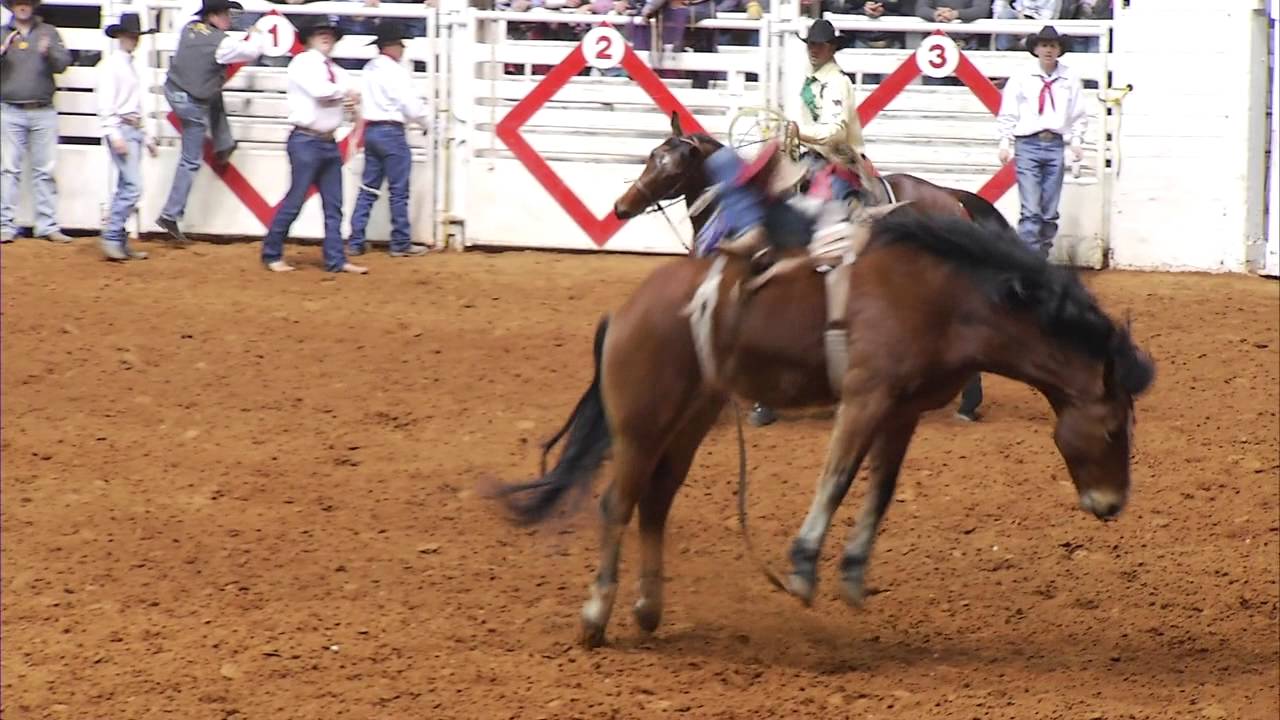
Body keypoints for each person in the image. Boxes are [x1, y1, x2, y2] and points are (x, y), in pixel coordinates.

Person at [260, 16, 366, 274]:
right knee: (297, 200)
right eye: (321, 32)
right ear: (309, 38)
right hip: (307, 140)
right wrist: (346, 94)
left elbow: (352, 89)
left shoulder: (331, 68)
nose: (326, 36)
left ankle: (335, 259)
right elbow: (323, 91)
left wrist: (347, 93)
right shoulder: (303, 62)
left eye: (329, 32)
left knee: (332, 205)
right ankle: (272, 252)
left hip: (323, 140)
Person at [156, 0, 262, 244]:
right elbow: (251, 51)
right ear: (213, 16)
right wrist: (256, 35)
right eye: (225, 14)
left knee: (212, 92)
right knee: (190, 160)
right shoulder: (221, 43)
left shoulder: (190, 28)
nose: (228, 19)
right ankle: (170, 213)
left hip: (175, 89)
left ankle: (223, 143)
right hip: (191, 101)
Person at [995, 25, 1086, 258]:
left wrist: (1076, 139)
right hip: (1028, 143)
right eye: (1044, 45)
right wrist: (1004, 140)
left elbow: (1078, 113)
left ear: (1059, 50)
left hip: (1055, 144)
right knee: (1031, 210)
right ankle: (1029, 265)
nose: (1048, 50)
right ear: (1036, 49)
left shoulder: (1069, 78)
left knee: (1049, 211)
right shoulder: (1022, 77)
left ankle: (1040, 259)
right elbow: (1009, 111)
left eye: (1053, 46)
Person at [347, 22, 430, 258]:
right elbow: (410, 105)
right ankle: (400, 243)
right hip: (391, 131)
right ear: (392, 46)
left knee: (368, 187)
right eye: (400, 44)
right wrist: (427, 123)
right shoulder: (396, 71)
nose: (403, 49)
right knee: (398, 190)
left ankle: (356, 241)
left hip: (372, 131)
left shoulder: (370, 68)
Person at [0, 0, 71, 244]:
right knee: (9, 170)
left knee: (45, 170)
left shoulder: (48, 32)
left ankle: (47, 225)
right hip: (10, 109)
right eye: (18, 2)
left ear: (32, 6)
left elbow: (63, 64)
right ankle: (5, 226)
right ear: (11, 6)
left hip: (43, 110)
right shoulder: (2, 33)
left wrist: (48, 52)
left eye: (27, 2)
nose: (22, 6)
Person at [96, 13, 158, 261]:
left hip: (130, 128)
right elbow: (106, 104)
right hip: (122, 128)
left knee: (127, 185)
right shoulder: (112, 66)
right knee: (132, 186)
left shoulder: (126, 65)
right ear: (121, 36)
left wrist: (145, 135)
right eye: (130, 35)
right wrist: (113, 133)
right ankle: (112, 235)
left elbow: (134, 104)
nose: (134, 39)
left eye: (135, 36)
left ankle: (117, 239)